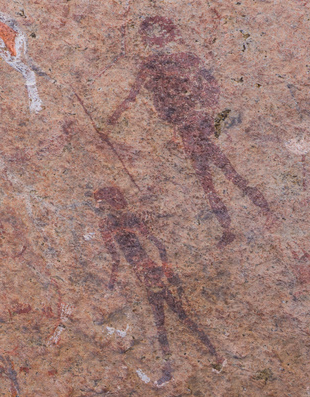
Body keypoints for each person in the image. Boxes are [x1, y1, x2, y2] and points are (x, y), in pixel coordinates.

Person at [108, 16, 272, 246]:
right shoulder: (162, 62)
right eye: (147, 36)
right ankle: (242, 221)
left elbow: (206, 86)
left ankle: (253, 216)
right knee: (215, 177)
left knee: (218, 176)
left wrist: (115, 116)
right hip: (187, 127)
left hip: (193, 125)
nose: (150, 39)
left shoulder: (177, 61)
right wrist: (116, 115)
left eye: (153, 34)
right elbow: (134, 93)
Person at [93, 185, 221, 386]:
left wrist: (167, 272)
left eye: (101, 203)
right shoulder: (106, 225)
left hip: (153, 277)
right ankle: (199, 357)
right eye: (98, 205)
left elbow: (158, 245)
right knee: (168, 322)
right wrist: (110, 285)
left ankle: (206, 355)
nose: (100, 208)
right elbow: (116, 259)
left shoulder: (128, 218)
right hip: (145, 279)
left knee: (175, 320)